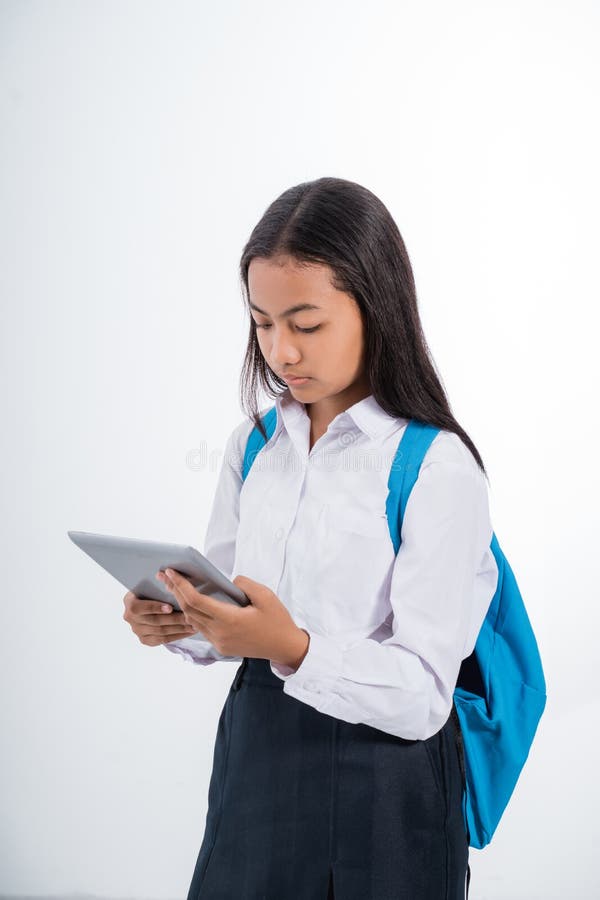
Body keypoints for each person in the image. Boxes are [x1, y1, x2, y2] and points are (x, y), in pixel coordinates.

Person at [123, 176, 499, 899]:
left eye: (307, 323)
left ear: (376, 307)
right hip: (257, 760)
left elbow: (425, 693)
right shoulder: (255, 445)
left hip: (385, 782)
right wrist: (180, 621)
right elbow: (229, 609)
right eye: (263, 323)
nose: (281, 351)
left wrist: (290, 646)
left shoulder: (434, 467)